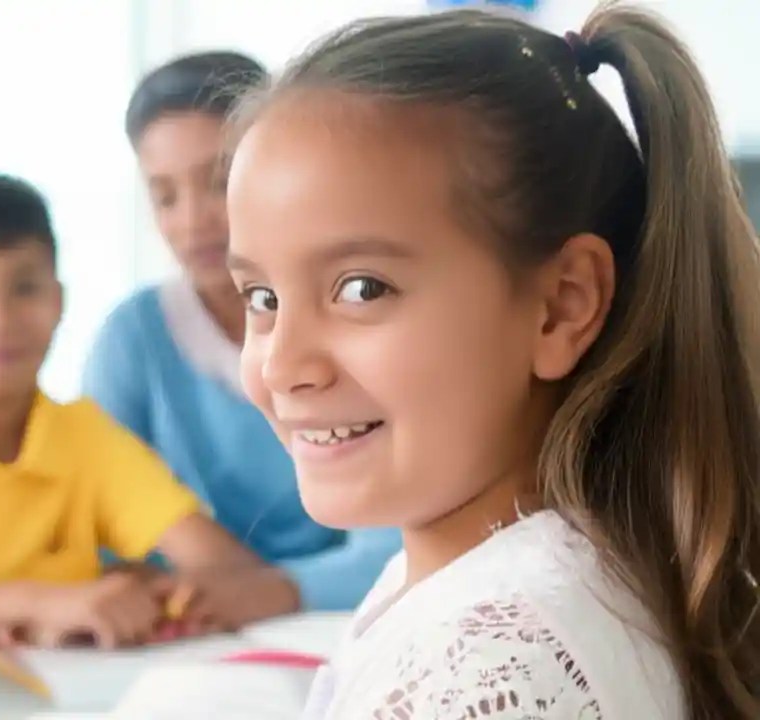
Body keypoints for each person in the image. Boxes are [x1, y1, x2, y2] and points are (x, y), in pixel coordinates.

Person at [226, 4, 760, 719]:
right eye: (261, 297)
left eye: (362, 288)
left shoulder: (492, 668)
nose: (284, 364)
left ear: (561, 306)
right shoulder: (507, 583)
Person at [0, 173, 289, 649]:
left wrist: (155, 596)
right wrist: (33, 602)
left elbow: (227, 567)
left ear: (59, 301)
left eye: (24, 288)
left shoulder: (86, 436)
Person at [83, 51, 400, 612]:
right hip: (186, 634)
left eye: (219, 180)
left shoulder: (356, 319)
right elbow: (100, 536)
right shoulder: (132, 341)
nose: (192, 219)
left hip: (348, 623)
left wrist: (272, 591)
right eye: (164, 196)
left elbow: (399, 545)